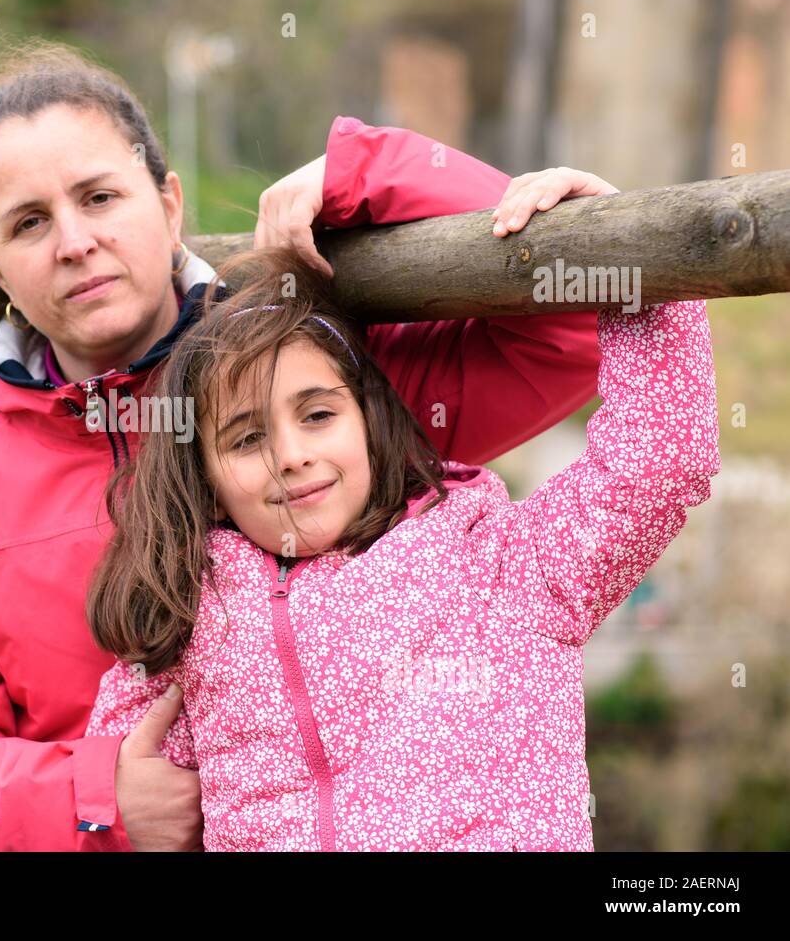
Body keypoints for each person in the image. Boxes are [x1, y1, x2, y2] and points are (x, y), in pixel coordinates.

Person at [0, 41, 604, 851]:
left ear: (168, 202)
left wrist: (368, 171)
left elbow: (572, 333)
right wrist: (96, 799)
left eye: (100, 196)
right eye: (29, 222)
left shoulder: (303, 363)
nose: (73, 241)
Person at [85, 243, 720, 851]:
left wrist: (622, 248)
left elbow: (657, 464)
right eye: (247, 440)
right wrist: (101, 809)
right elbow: (109, 781)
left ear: (368, 420)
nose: (292, 455)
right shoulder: (190, 611)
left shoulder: (499, 563)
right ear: (209, 482)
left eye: (318, 415)